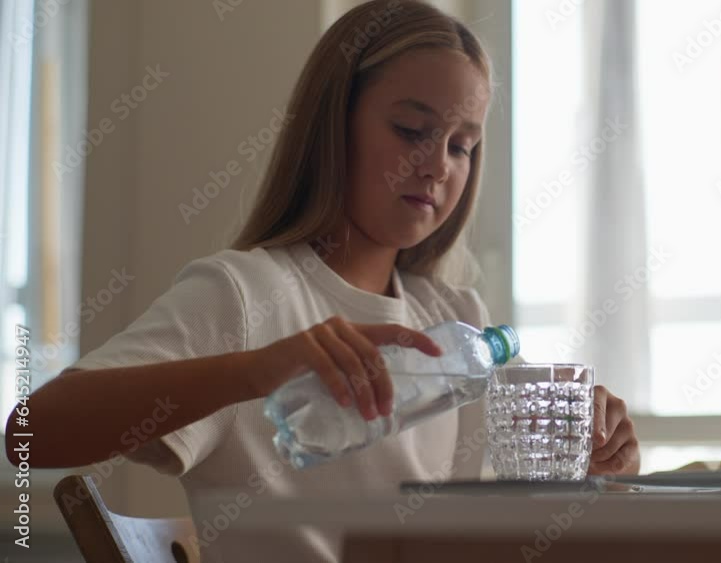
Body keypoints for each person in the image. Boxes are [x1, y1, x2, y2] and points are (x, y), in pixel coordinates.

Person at [6, 1, 639, 560]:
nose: (438, 166)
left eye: (461, 145)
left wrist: (597, 459)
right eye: (411, 130)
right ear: (333, 122)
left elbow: (528, 515)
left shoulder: (459, 318)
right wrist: (254, 371)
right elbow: (31, 432)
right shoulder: (243, 296)